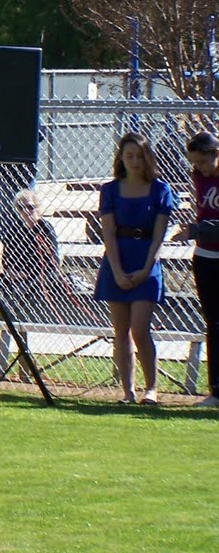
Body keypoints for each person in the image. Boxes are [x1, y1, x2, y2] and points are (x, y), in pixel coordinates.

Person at [92, 133, 175, 405]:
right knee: (121, 330)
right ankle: (127, 391)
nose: (135, 161)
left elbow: (159, 237)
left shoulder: (160, 190)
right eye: (130, 156)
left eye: (140, 156)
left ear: (148, 158)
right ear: (121, 158)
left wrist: (144, 270)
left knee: (140, 329)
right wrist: (116, 271)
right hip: (117, 261)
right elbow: (108, 234)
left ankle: (151, 388)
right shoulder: (111, 190)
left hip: (146, 262)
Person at [168, 131, 219, 408]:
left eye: (202, 161)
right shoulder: (198, 176)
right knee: (214, 324)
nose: (197, 167)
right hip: (204, 256)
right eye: (194, 162)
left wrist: (195, 229)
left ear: (215, 154)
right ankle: (216, 391)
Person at [0, 189, 86, 324]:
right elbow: (7, 259)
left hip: (41, 275)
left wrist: (26, 274)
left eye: (30, 207)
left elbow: (53, 261)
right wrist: (12, 272)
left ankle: (12, 311)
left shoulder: (45, 228)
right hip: (17, 275)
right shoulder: (14, 230)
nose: (26, 211)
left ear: (37, 208)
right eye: (21, 208)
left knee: (35, 286)